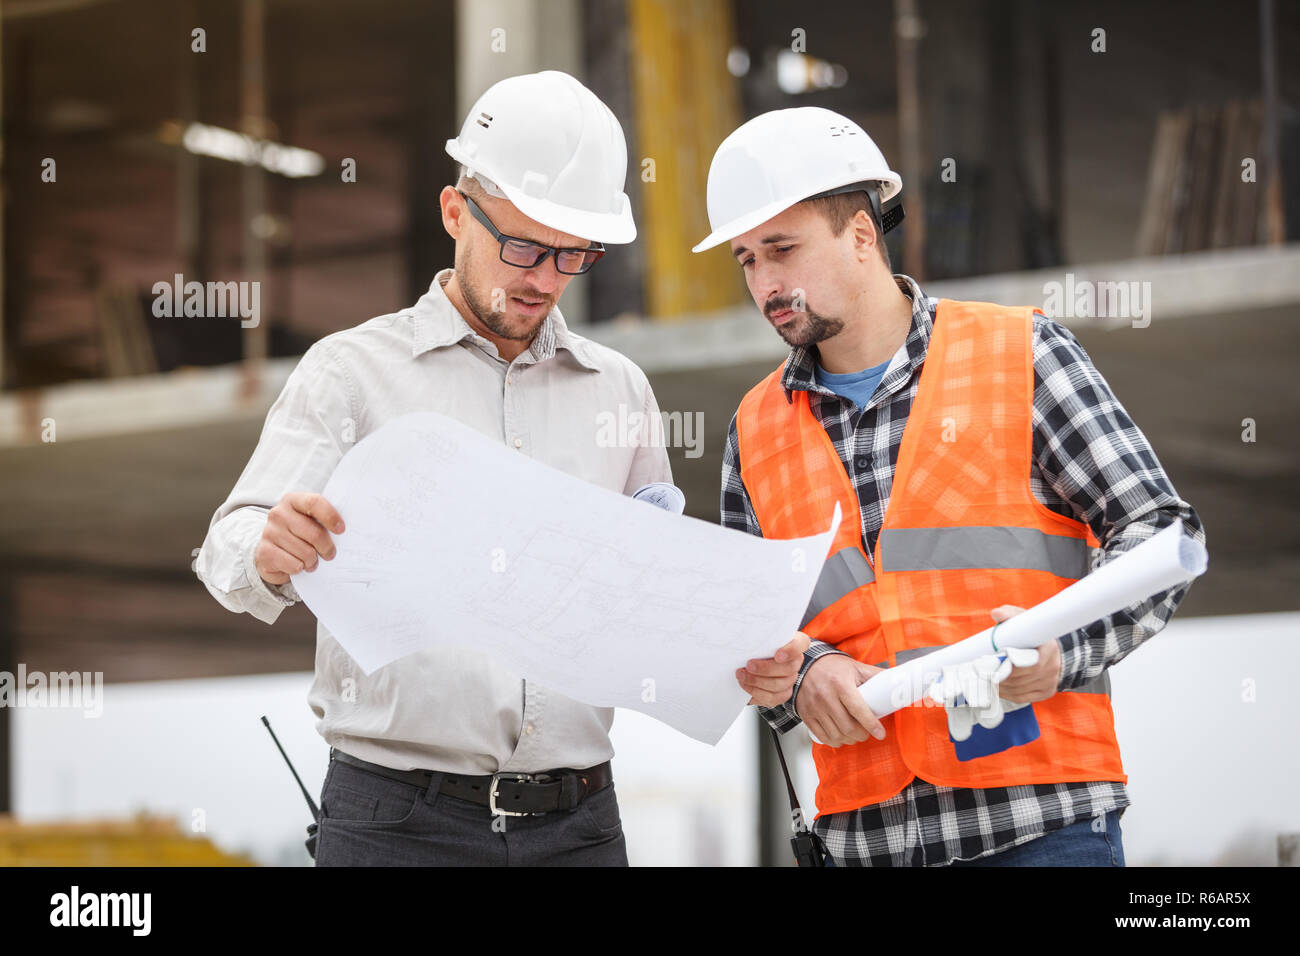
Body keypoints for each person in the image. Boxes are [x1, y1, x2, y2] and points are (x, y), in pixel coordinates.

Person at [195, 71, 806, 866]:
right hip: (397, 823)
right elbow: (227, 550)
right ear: (456, 212)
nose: (544, 279)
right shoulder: (349, 373)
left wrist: (736, 645)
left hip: (580, 822)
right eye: (523, 246)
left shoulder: (619, 391)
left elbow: (648, 594)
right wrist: (268, 554)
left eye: (571, 256)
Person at [698, 106, 1206, 867]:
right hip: (867, 843)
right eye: (747, 261)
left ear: (862, 236)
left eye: (783, 250)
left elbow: (1158, 533)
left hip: (1040, 827)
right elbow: (741, 635)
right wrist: (802, 676)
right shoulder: (753, 429)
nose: (767, 283)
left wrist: (1058, 649)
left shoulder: (1020, 352)